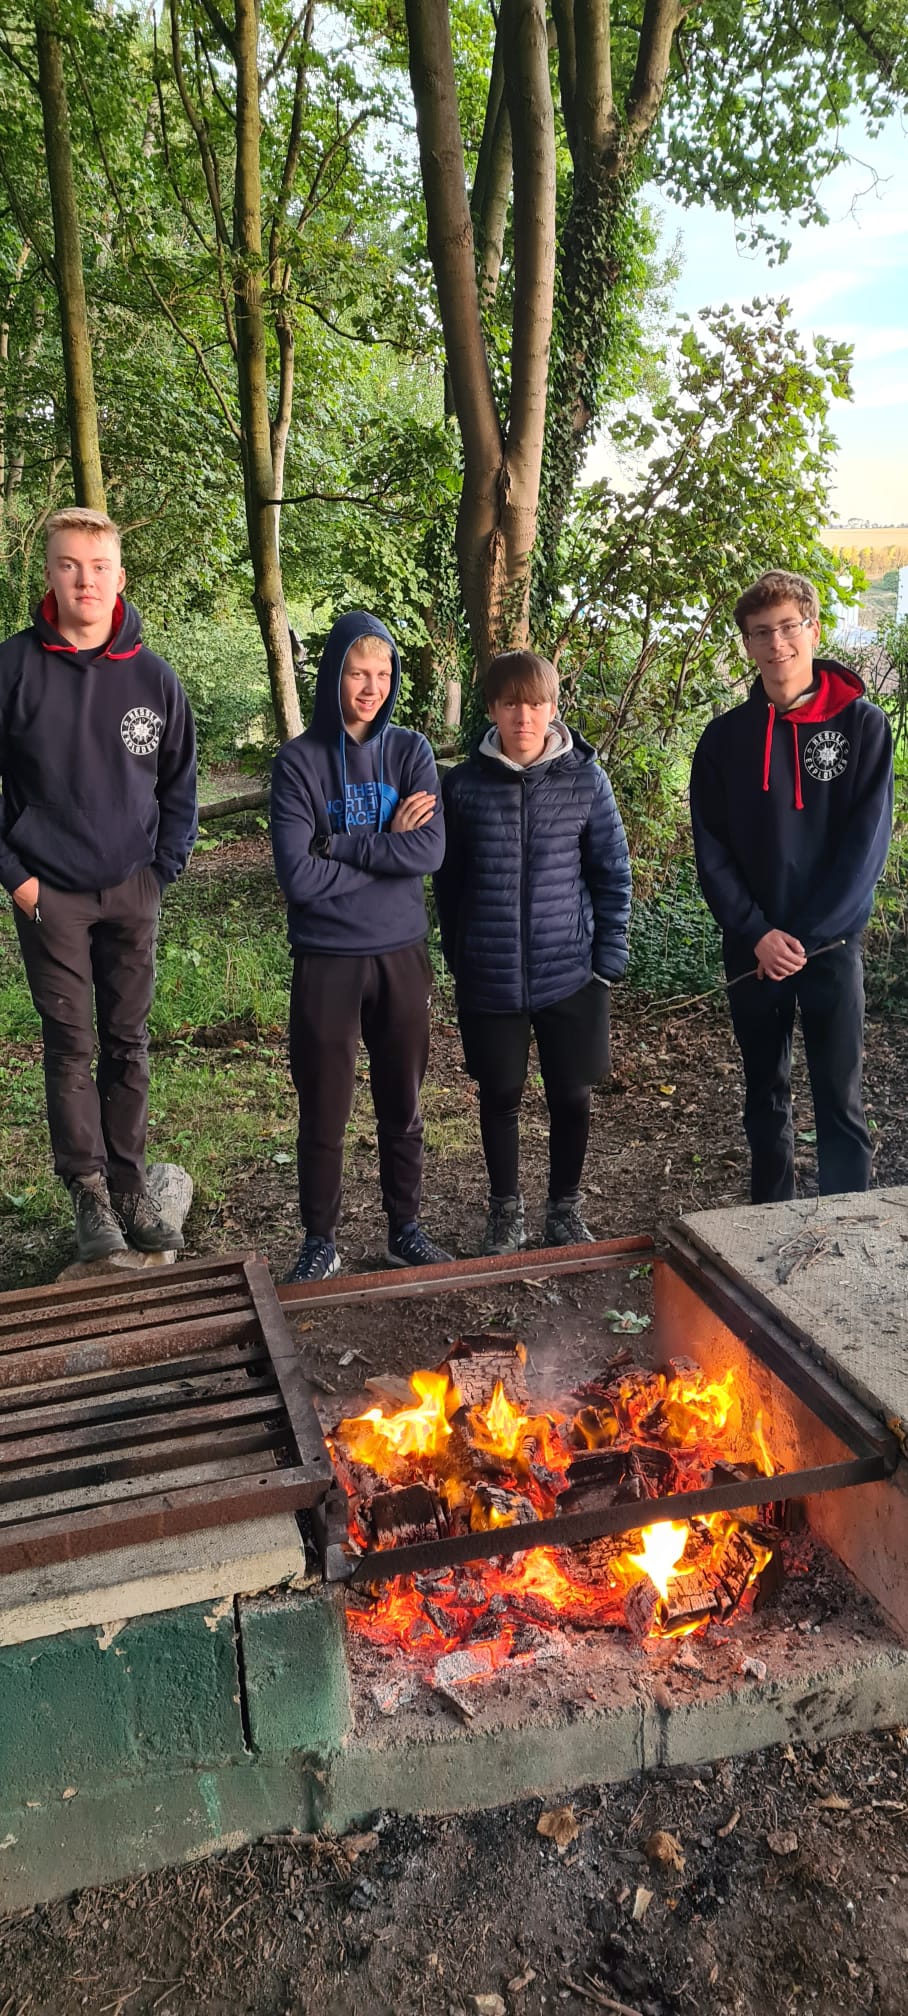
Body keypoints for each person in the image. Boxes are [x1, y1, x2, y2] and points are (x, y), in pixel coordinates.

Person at [0, 507, 197, 1260]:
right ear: (49, 572)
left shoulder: (153, 677)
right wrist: (18, 878)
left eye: (99, 567)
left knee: (128, 1042)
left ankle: (130, 1185)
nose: (85, 581)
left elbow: (179, 786)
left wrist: (159, 874)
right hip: (48, 895)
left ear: (119, 576)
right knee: (69, 1046)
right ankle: (88, 1196)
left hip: (130, 890)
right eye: (69, 565)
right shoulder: (13, 669)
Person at [690, 569, 893, 1204]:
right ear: (747, 645)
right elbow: (712, 850)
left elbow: (866, 848)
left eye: (788, 627)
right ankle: (768, 1220)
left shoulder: (863, 727)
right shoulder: (724, 739)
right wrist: (757, 933)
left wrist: (803, 937)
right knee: (764, 1095)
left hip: (830, 946)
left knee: (840, 1095)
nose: (776, 643)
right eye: (761, 632)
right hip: (754, 948)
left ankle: (847, 1226)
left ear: (813, 629)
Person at [270, 610, 452, 1281]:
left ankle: (405, 1228)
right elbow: (300, 878)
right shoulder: (298, 763)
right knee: (323, 1107)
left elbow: (428, 851)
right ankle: (320, 1241)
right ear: (334, 676)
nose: (372, 687)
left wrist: (339, 845)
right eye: (357, 673)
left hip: (400, 952)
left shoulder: (411, 752)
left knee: (402, 1102)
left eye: (382, 674)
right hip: (326, 957)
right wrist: (385, 848)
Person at [434, 649, 632, 1254]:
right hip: (489, 975)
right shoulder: (462, 786)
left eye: (537, 704)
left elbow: (611, 873)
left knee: (571, 1094)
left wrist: (607, 961)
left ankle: (564, 1209)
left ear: (553, 708)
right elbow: (448, 883)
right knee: (499, 1095)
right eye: (512, 704)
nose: (525, 717)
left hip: (571, 972)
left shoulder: (585, 781)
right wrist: (460, 956)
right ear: (492, 708)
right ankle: (505, 1212)